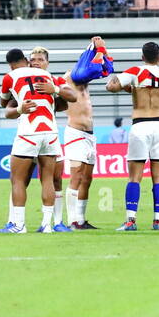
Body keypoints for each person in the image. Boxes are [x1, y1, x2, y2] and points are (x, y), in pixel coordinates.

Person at [106, 42, 159, 230]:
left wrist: (129, 86)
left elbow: (111, 87)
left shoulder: (135, 72)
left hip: (140, 125)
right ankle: (158, 220)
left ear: (142, 57)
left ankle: (131, 221)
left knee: (134, 177)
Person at [0, 48, 72, 233]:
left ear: (10, 64)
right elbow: (70, 98)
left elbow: (4, 104)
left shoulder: (9, 76)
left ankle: (19, 225)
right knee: (48, 180)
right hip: (51, 132)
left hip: (29, 132)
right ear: (26, 60)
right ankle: (47, 225)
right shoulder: (48, 76)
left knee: (18, 180)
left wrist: (19, 105)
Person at [63, 38, 113, 230]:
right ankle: (71, 221)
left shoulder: (84, 79)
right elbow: (94, 69)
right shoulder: (72, 76)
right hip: (75, 133)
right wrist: (99, 51)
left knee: (87, 179)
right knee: (76, 177)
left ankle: (81, 220)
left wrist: (104, 51)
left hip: (90, 136)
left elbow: (106, 71)